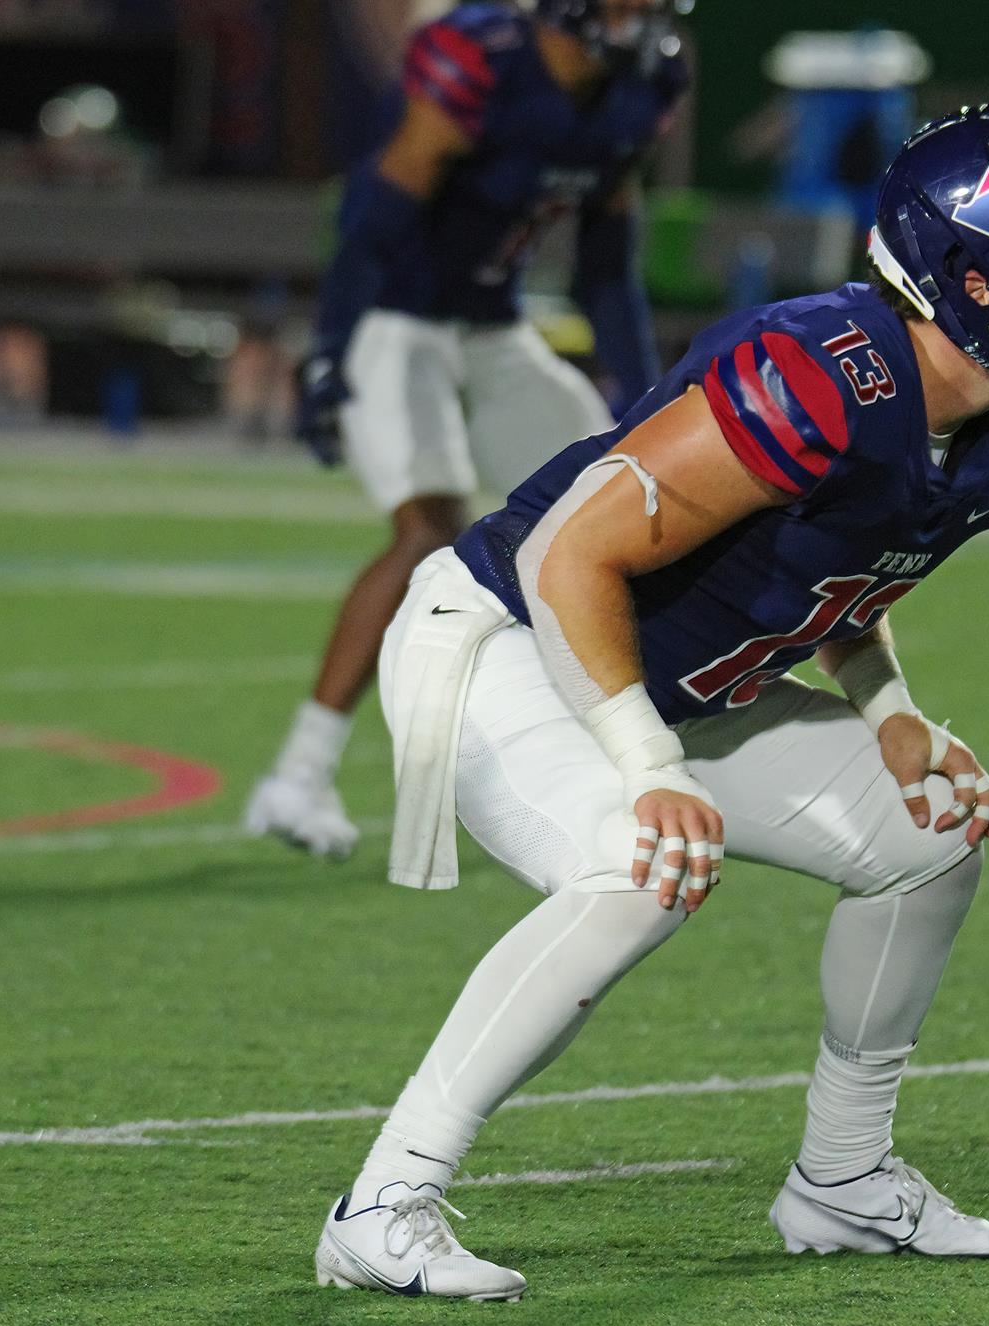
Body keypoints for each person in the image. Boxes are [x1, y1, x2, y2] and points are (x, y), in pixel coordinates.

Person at [309, 101, 989, 1301]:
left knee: (932, 827)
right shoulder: (818, 372)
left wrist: (888, 705)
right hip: (499, 642)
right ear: (975, 279)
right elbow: (568, 555)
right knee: (635, 865)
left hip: (663, 685)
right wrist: (646, 764)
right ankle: (383, 1200)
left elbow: (842, 569)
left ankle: (843, 1180)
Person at [245, 0, 689, 857]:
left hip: (494, 323)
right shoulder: (478, 56)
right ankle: (296, 777)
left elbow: (606, 266)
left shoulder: (643, 83)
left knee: (625, 505)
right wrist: (331, 349)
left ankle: (631, 764)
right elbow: (377, 212)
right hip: (394, 317)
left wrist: (646, 400)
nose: (648, 12)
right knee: (426, 533)